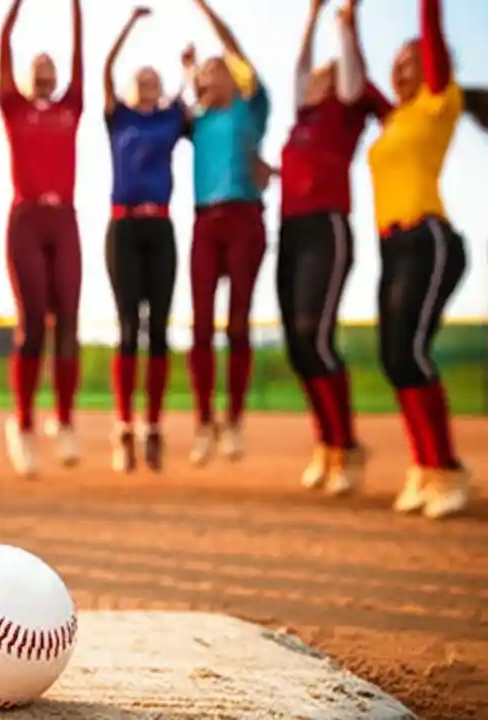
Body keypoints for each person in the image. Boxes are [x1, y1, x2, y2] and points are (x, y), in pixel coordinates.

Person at [350, 0, 488, 518]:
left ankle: (447, 469)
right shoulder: (394, 117)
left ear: (433, 65)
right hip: (392, 247)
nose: (400, 67)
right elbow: (357, 80)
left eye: (412, 59)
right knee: (394, 358)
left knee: (412, 354)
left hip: (429, 241)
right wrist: (347, 21)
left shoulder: (437, 101)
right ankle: (424, 468)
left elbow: (432, 24)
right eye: (396, 61)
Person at [276, 0, 386, 496]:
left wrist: (346, 21)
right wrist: (310, 16)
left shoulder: (345, 112)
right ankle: (325, 443)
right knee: (298, 347)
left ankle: (346, 445)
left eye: (329, 71)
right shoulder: (302, 116)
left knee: (315, 337)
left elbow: (350, 75)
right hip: (292, 230)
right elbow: (299, 68)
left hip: (327, 228)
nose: (318, 74)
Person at [101, 7, 192, 473]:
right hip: (123, 228)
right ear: (130, 88)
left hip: (160, 228)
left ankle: (153, 427)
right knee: (127, 329)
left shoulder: (169, 120)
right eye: (142, 80)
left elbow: (189, 106)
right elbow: (104, 70)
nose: (149, 85)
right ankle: (124, 428)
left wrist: (189, 72)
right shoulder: (118, 119)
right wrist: (130, 25)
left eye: (156, 80)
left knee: (158, 329)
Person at [0, 0, 85, 478]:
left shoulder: (71, 107)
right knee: (33, 323)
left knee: (67, 320)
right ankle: (24, 426)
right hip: (26, 219)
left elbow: (79, 54)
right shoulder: (13, 108)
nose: (47, 73)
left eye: (51, 68)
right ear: (26, 79)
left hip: (64, 218)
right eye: (39, 68)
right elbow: (3, 48)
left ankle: (65, 421)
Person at [185, 0, 270, 467]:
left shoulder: (249, 109)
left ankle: (233, 420)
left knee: (237, 323)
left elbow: (235, 51)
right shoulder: (196, 122)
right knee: (200, 327)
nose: (210, 73)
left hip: (244, 220)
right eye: (205, 70)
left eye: (216, 68)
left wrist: (206, 12)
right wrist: (188, 75)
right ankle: (203, 421)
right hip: (204, 222)